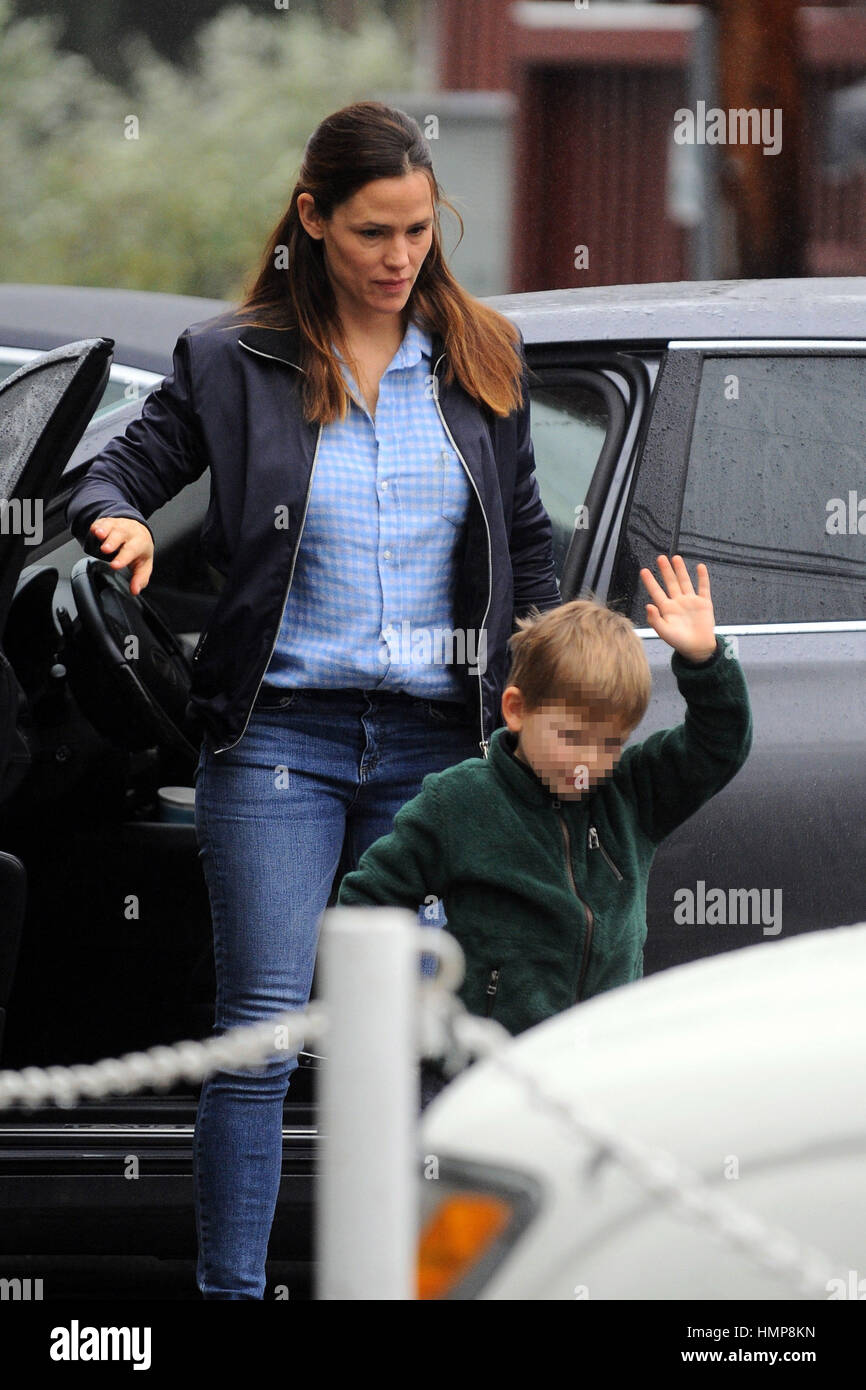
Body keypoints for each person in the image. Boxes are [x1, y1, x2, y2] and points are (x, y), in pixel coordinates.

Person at [64, 100, 561, 1298]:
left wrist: (533, 677)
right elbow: (113, 465)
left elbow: (529, 547)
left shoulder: (480, 358)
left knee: (429, 1040)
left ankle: (424, 1283)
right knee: (262, 1036)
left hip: (436, 751)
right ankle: (233, 1294)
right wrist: (115, 516)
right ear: (312, 221)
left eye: (419, 231)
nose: (400, 258)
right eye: (373, 233)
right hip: (278, 739)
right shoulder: (234, 361)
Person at [338, 556, 752, 1057]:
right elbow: (369, 900)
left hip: (604, 1064)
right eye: (571, 737)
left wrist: (706, 660)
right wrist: (407, 1012)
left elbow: (719, 747)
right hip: (490, 1069)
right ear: (516, 710)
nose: (589, 761)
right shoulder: (461, 801)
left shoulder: (633, 795)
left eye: (609, 743)